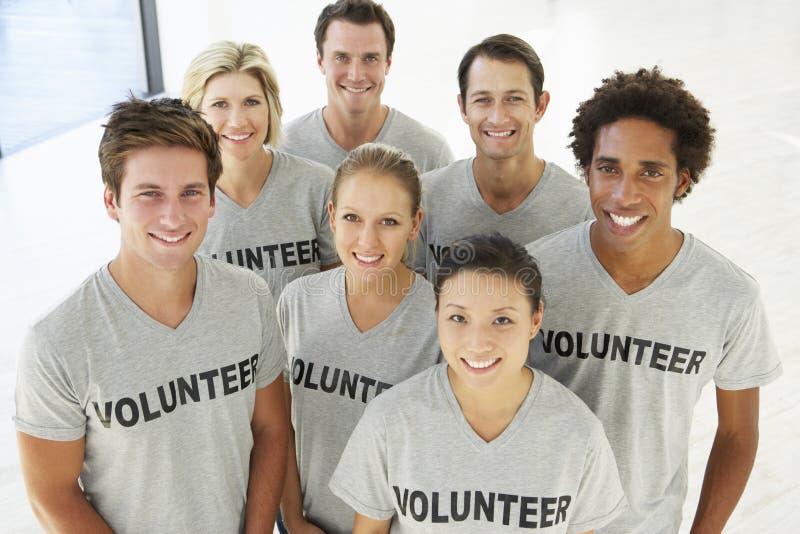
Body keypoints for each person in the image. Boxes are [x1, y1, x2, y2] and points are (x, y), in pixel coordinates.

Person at [14, 97, 289, 532]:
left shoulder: (250, 298)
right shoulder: (57, 342)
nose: (173, 215)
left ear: (212, 200)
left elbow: (271, 429)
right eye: (149, 194)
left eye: (191, 192)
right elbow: (52, 493)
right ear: (112, 201)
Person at [526, 67, 782, 533]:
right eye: (609, 168)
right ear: (586, 171)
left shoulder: (729, 295)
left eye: (650, 171)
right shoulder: (533, 275)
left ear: (682, 180)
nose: (625, 194)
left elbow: (737, 433)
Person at [330, 234, 625, 533]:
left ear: (535, 321)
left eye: (501, 321)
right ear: (437, 316)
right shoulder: (390, 419)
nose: (477, 343)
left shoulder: (578, 432)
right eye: (458, 317)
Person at [277, 143, 441, 534]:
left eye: (388, 222)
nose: (367, 241)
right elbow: (278, 424)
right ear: (332, 217)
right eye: (353, 217)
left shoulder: (442, 319)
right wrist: (294, 520)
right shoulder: (297, 300)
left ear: (414, 224)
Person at [414, 34, 592, 281]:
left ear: (540, 106)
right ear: (463, 108)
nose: (498, 117)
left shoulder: (582, 210)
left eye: (514, 99)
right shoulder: (424, 197)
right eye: (483, 100)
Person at [183, 41, 339, 298]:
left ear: (271, 108)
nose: (237, 121)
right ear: (195, 113)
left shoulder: (319, 186)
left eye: (251, 102)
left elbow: (339, 297)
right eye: (220, 104)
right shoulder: (180, 200)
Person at [281, 0, 453, 173]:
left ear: (388, 63)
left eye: (370, 58)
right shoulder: (283, 149)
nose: (356, 76)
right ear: (320, 61)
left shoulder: (431, 155)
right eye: (341, 57)